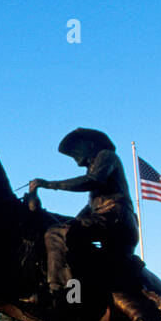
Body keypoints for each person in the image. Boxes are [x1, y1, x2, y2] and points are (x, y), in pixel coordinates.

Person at [29, 128, 138, 307]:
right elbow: (89, 208)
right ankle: (78, 291)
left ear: (90, 144)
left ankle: (61, 294)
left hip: (116, 218)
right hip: (108, 217)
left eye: (75, 149)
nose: (73, 156)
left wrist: (49, 184)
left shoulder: (106, 156)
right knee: (62, 227)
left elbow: (93, 180)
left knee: (56, 233)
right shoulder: (96, 176)